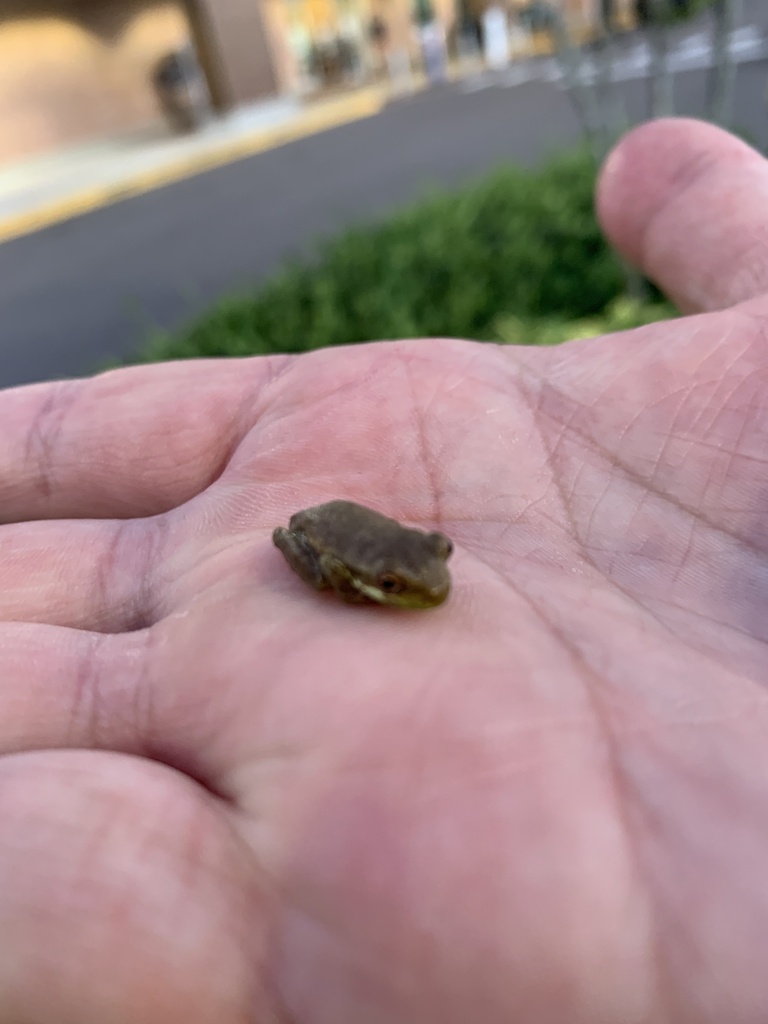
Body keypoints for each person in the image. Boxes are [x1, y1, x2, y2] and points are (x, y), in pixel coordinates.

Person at [2, 116, 768, 1021]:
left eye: (426, 571)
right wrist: (339, 575)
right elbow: (308, 540)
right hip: (322, 531)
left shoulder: (426, 566)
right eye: (407, 586)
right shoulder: (349, 578)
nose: (430, 589)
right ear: (381, 587)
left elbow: (424, 558)